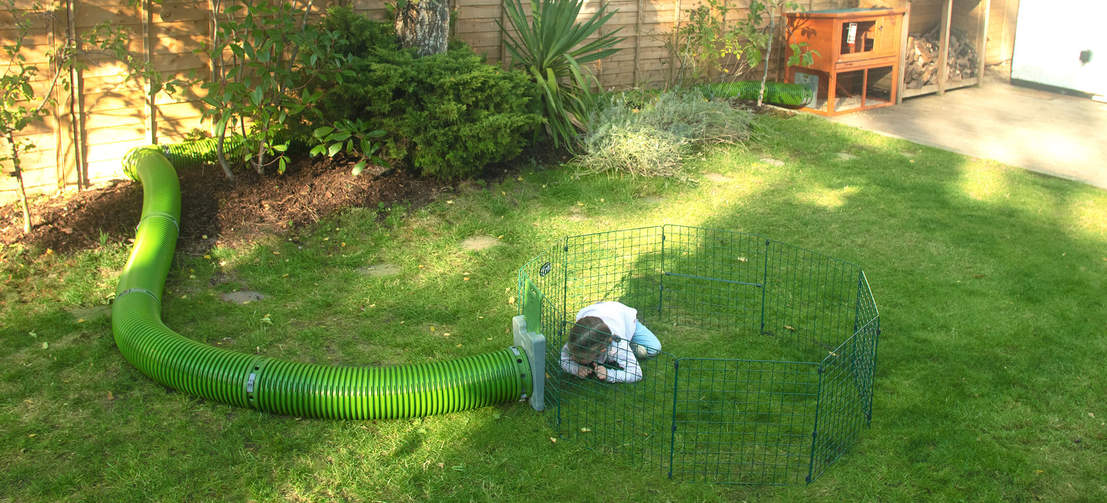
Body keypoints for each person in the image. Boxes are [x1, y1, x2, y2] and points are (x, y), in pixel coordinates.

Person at [559, 301, 661, 383]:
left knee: (654, 348)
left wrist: (609, 374)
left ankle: (631, 345)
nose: (572, 358)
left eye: (580, 357)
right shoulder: (578, 340)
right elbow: (563, 359)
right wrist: (575, 368)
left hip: (624, 317)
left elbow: (636, 373)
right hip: (599, 312)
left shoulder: (618, 344)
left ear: (602, 350)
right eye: (572, 354)